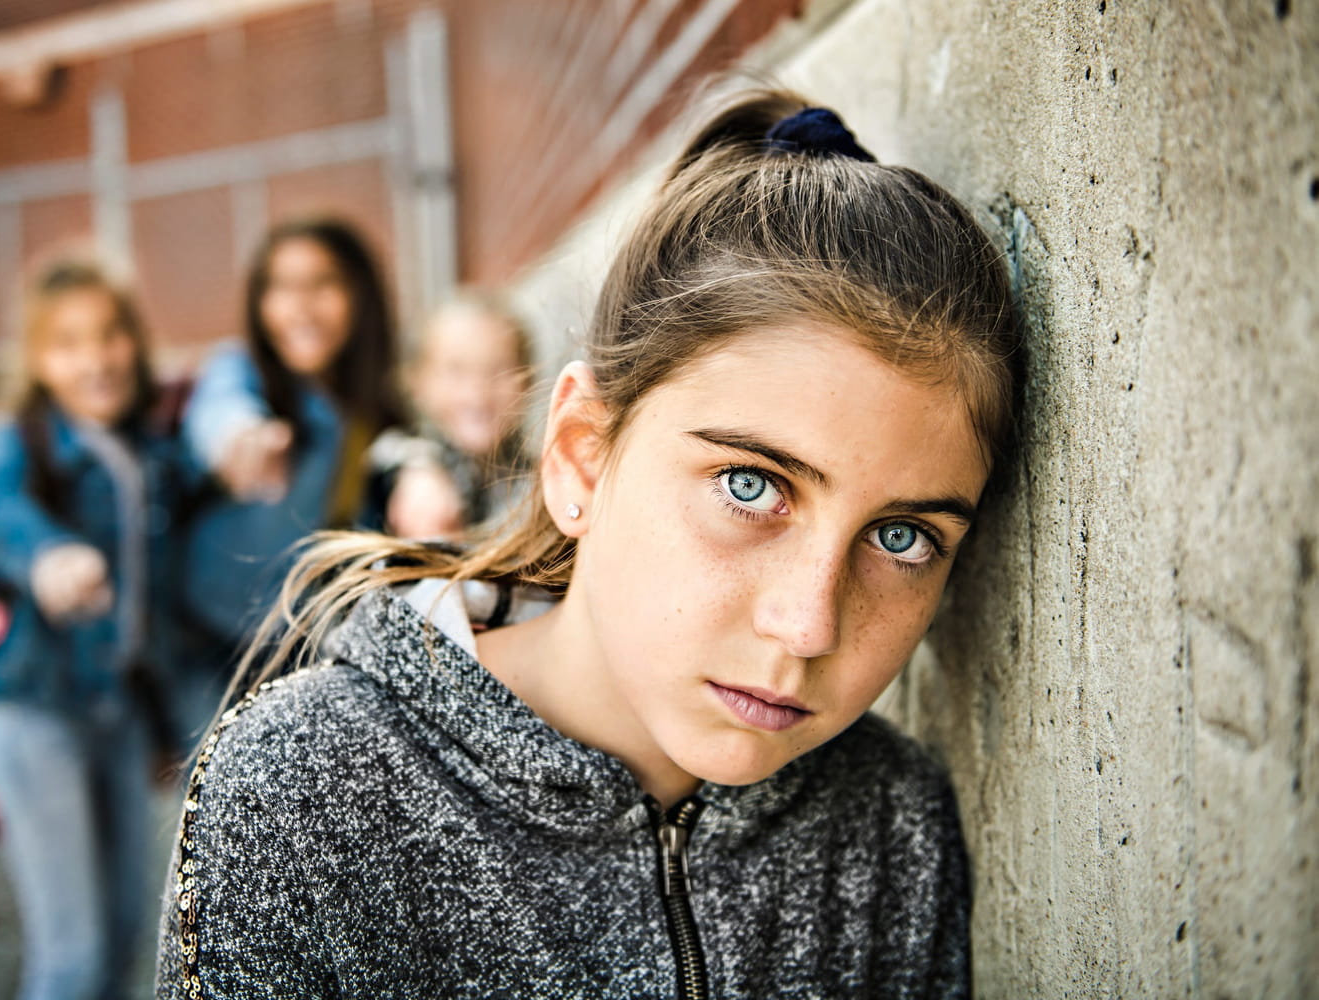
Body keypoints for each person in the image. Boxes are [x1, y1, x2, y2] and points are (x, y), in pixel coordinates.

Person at [156, 89, 1019, 999]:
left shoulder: (894, 822)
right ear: (580, 460)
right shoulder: (305, 793)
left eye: (901, 535)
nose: (808, 626)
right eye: (750, 486)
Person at [0, 258, 181, 1000]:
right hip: (36, 714)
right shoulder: (14, 440)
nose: (95, 357)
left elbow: (155, 606)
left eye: (111, 334)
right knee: (71, 959)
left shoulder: (149, 449)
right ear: (35, 358)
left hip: (117, 717)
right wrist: (50, 557)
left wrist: (158, 725)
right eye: (67, 342)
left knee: (127, 939)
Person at [174, 218, 400, 746]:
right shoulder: (243, 370)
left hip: (300, 647)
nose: (300, 306)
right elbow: (220, 411)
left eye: (322, 283)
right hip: (207, 648)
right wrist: (242, 440)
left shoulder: (370, 407)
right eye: (281, 286)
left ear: (358, 296)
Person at [359, 291, 534, 538]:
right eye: (456, 371)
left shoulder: (537, 479)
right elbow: (386, 456)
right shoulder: (408, 456)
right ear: (416, 382)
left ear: (529, 380)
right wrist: (418, 472)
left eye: (499, 369)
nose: (478, 391)